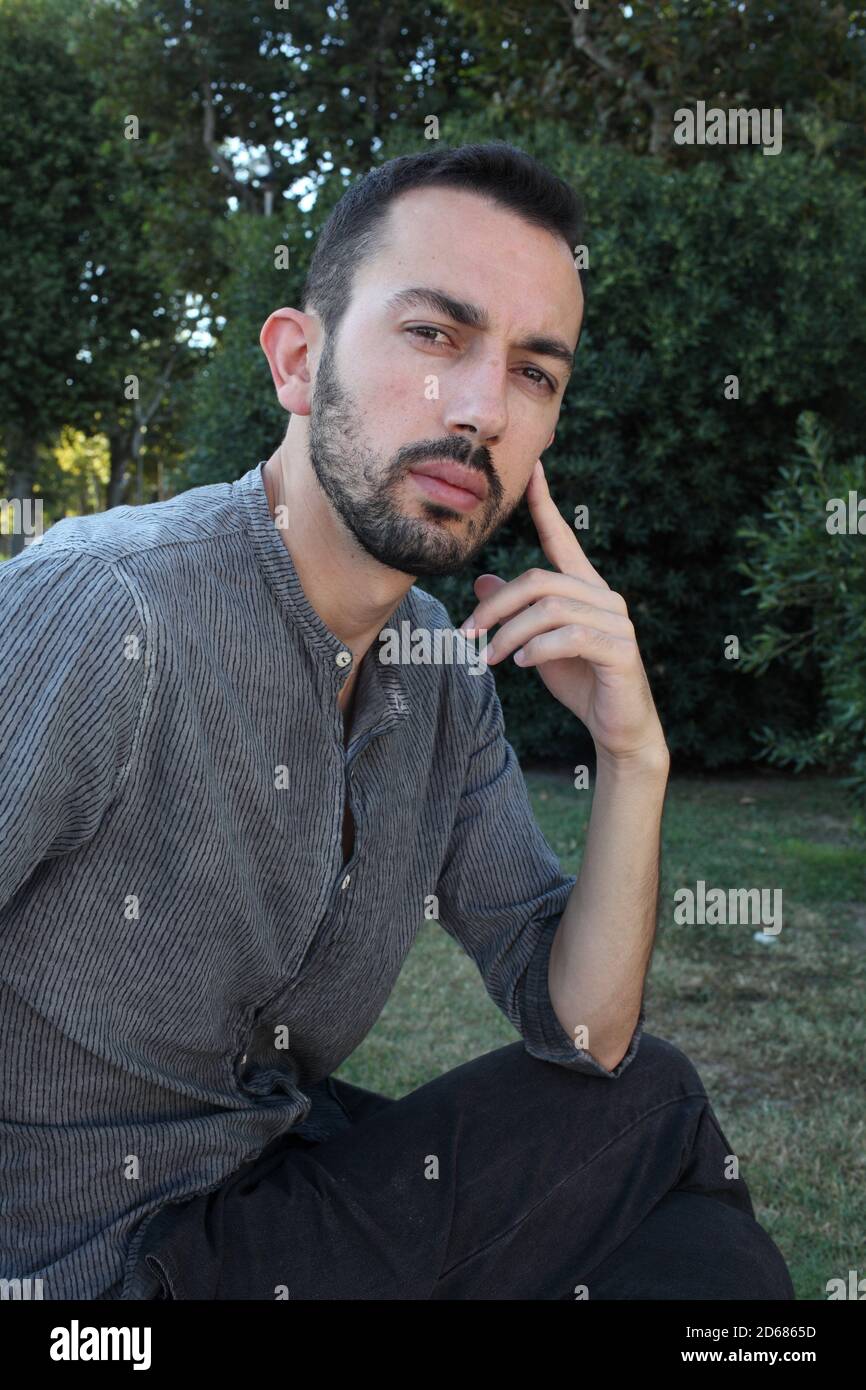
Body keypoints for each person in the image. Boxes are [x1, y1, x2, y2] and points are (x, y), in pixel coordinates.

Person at [0, 141, 794, 1301]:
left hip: (258, 1191)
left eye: (534, 372)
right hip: (91, 1269)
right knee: (660, 1116)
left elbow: (583, 1034)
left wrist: (632, 756)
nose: (480, 408)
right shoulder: (108, 609)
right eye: (434, 335)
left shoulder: (438, 675)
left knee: (644, 1142)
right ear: (296, 360)